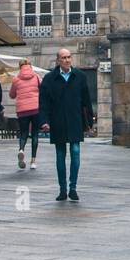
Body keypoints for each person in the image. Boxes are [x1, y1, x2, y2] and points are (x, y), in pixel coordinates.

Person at [39, 49, 95, 201]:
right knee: (60, 154)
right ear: (58, 60)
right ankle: (62, 189)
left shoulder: (80, 76)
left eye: (69, 57)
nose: (67, 60)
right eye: (63, 58)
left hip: (75, 119)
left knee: (76, 151)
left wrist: (89, 121)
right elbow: (43, 102)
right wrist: (44, 121)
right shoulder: (50, 79)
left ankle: (73, 188)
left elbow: (86, 100)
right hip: (58, 120)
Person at [9, 59, 42, 170]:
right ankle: (33, 161)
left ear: (20, 67)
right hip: (35, 109)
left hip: (22, 110)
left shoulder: (16, 79)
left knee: (23, 133)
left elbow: (12, 95)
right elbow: (42, 90)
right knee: (35, 134)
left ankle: (21, 150)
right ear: (30, 65)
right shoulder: (37, 77)